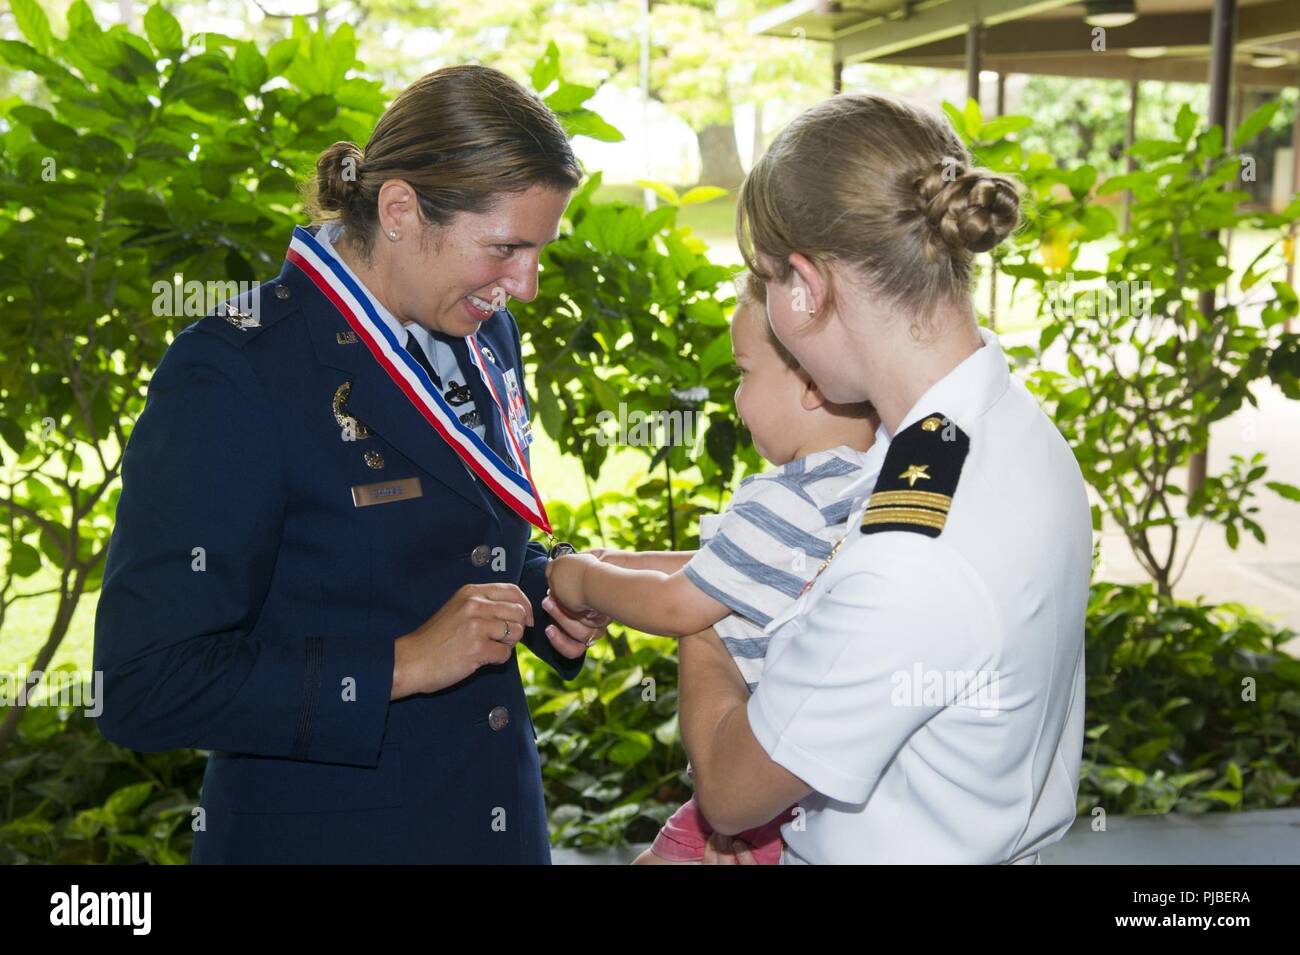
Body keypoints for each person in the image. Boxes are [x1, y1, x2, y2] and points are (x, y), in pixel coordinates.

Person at [92, 65, 609, 864]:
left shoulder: (484, 329)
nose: (527, 287)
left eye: (539, 251)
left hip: (492, 821)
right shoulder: (237, 370)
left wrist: (544, 590)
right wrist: (401, 664)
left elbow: (438, 542)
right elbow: (144, 685)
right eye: (507, 248)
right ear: (400, 209)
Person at [675, 92, 1092, 863]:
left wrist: (702, 621)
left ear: (805, 283)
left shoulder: (917, 551)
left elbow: (731, 789)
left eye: (764, 280)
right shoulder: (994, 424)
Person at [545, 271, 881, 863]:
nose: (735, 396)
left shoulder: (789, 497)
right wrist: (622, 562)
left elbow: (683, 604)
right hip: (806, 777)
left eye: (743, 373)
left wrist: (584, 579)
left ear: (809, 380)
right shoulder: (858, 482)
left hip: (758, 782)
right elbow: (725, 566)